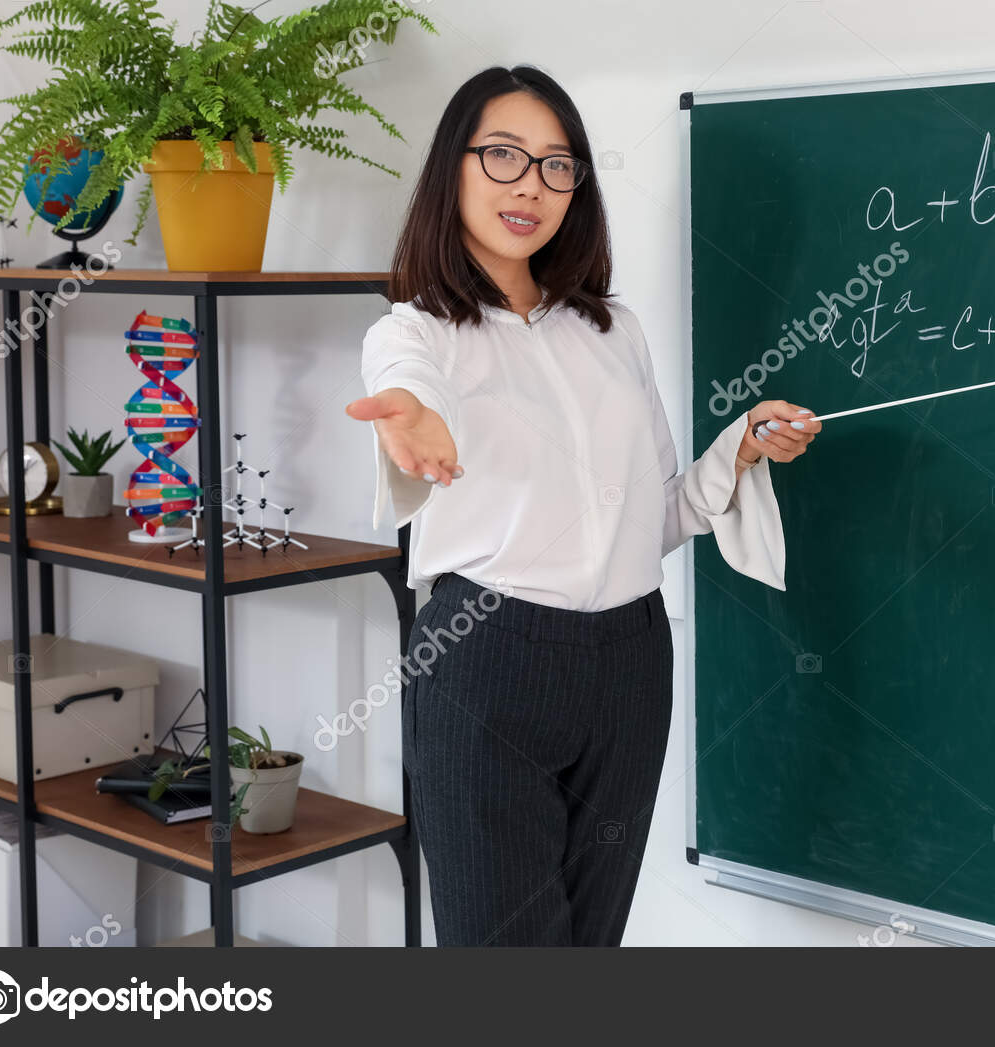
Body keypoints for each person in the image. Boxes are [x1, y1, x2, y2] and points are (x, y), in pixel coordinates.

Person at [344, 64, 821, 945]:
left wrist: (742, 447)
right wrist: (412, 419)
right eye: (504, 156)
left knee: (589, 947)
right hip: (486, 658)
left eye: (559, 165)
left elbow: (661, 519)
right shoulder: (416, 331)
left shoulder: (613, 330)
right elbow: (403, 385)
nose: (532, 184)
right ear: (453, 165)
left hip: (630, 665)